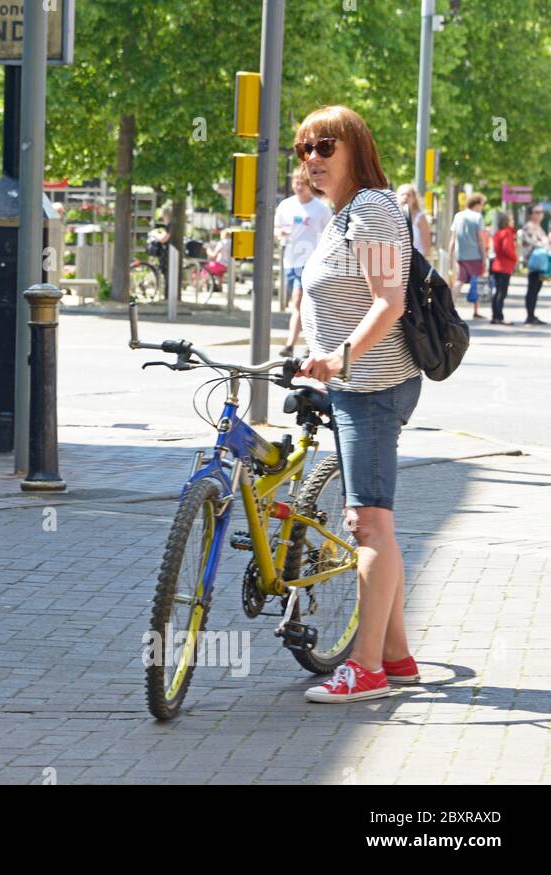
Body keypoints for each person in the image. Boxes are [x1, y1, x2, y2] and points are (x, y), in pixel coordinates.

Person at [291, 104, 423, 704]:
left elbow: (389, 301)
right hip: (351, 384)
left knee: (370, 523)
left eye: (324, 147)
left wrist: (341, 356)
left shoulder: (370, 208)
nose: (312, 160)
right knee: (370, 521)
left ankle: (364, 668)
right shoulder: (342, 215)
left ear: (353, 148)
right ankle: (395, 656)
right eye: (303, 151)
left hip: (372, 386)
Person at [275, 169, 333, 356]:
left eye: (303, 183)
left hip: (311, 261)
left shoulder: (321, 209)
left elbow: (331, 233)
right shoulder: (286, 205)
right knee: (299, 305)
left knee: (299, 300)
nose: (299, 187)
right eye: (296, 183)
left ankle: (292, 344)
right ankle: (304, 345)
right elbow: (277, 227)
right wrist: (280, 233)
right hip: (290, 260)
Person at [449, 193, 488, 320]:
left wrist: (450, 255)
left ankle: (449, 306)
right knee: (475, 282)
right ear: (477, 204)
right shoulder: (478, 217)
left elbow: (453, 239)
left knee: (459, 281)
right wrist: (484, 256)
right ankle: (476, 311)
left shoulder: (458, 216)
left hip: (460, 255)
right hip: (475, 255)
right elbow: (480, 239)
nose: (482, 207)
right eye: (482, 204)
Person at [518, 205, 548, 325]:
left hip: (541, 263)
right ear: (531, 214)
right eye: (537, 212)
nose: (540, 214)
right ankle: (530, 316)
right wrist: (546, 242)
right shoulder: (529, 226)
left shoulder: (539, 227)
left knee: (536, 288)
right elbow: (534, 242)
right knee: (532, 289)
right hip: (534, 262)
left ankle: (532, 315)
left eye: (541, 212)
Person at [489, 211, 517, 325]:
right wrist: (515, 258)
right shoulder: (507, 233)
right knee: (502, 292)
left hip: (497, 264)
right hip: (505, 266)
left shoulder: (498, 233)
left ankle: (495, 316)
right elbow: (507, 249)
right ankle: (499, 316)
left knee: (497, 291)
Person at [396, 183, 431, 258]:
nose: (405, 197)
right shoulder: (392, 216)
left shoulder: (420, 217)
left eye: (408, 195)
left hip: (414, 262)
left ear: (414, 198)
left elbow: (427, 247)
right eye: (402, 194)